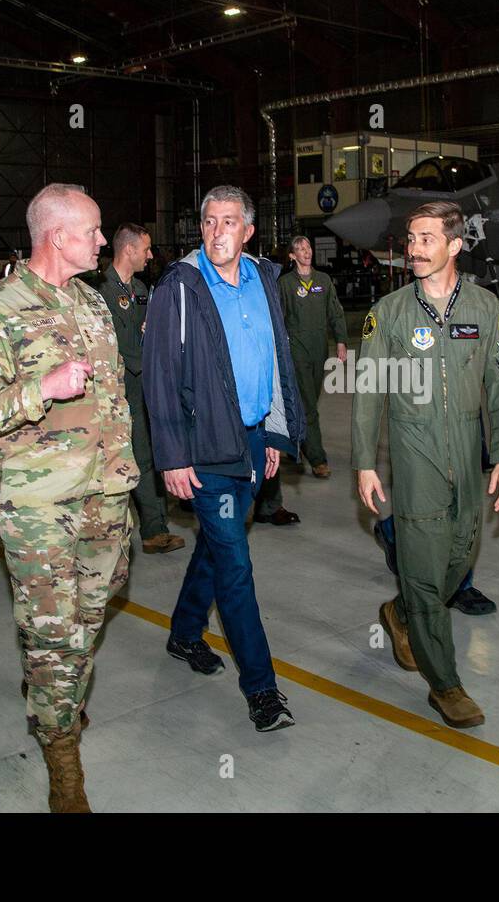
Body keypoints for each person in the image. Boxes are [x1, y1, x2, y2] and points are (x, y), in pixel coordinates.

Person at [0, 183, 137, 812]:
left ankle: (56, 688)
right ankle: (62, 757)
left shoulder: (92, 304)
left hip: (105, 496)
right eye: (94, 230)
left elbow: (112, 401)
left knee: (89, 614)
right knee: (57, 637)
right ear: (57, 236)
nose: (103, 241)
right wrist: (39, 389)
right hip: (39, 507)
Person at [352, 200, 499, 728]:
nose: (414, 249)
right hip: (415, 454)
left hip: (468, 455)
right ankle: (445, 683)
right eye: (411, 238)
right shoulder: (389, 313)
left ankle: (401, 612)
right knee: (427, 572)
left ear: (454, 245)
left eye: (426, 238)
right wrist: (364, 460)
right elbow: (368, 392)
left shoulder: (486, 309)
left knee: (457, 558)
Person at [142, 185, 305, 733]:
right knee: (237, 565)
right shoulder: (180, 287)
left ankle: (187, 633)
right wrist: (172, 457)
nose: (216, 232)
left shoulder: (263, 278)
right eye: (209, 221)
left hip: (254, 442)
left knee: (217, 546)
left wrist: (276, 434)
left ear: (248, 230)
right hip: (204, 449)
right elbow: (160, 380)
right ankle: (261, 689)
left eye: (228, 222)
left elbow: (277, 356)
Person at [252, 235, 347, 526]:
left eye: (308, 248)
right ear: (292, 256)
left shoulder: (324, 280)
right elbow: (277, 317)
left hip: (319, 350)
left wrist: (341, 340)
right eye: (301, 249)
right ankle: (317, 457)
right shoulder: (285, 284)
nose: (307, 252)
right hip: (296, 352)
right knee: (308, 404)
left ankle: (297, 444)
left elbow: (335, 311)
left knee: (310, 401)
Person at [103, 222, 184, 555]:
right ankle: (151, 528)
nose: (151, 256)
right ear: (129, 249)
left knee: (147, 454)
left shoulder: (138, 287)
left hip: (140, 387)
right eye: (146, 249)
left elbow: (143, 332)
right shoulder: (99, 290)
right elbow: (115, 345)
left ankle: (154, 525)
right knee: (133, 459)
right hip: (116, 390)